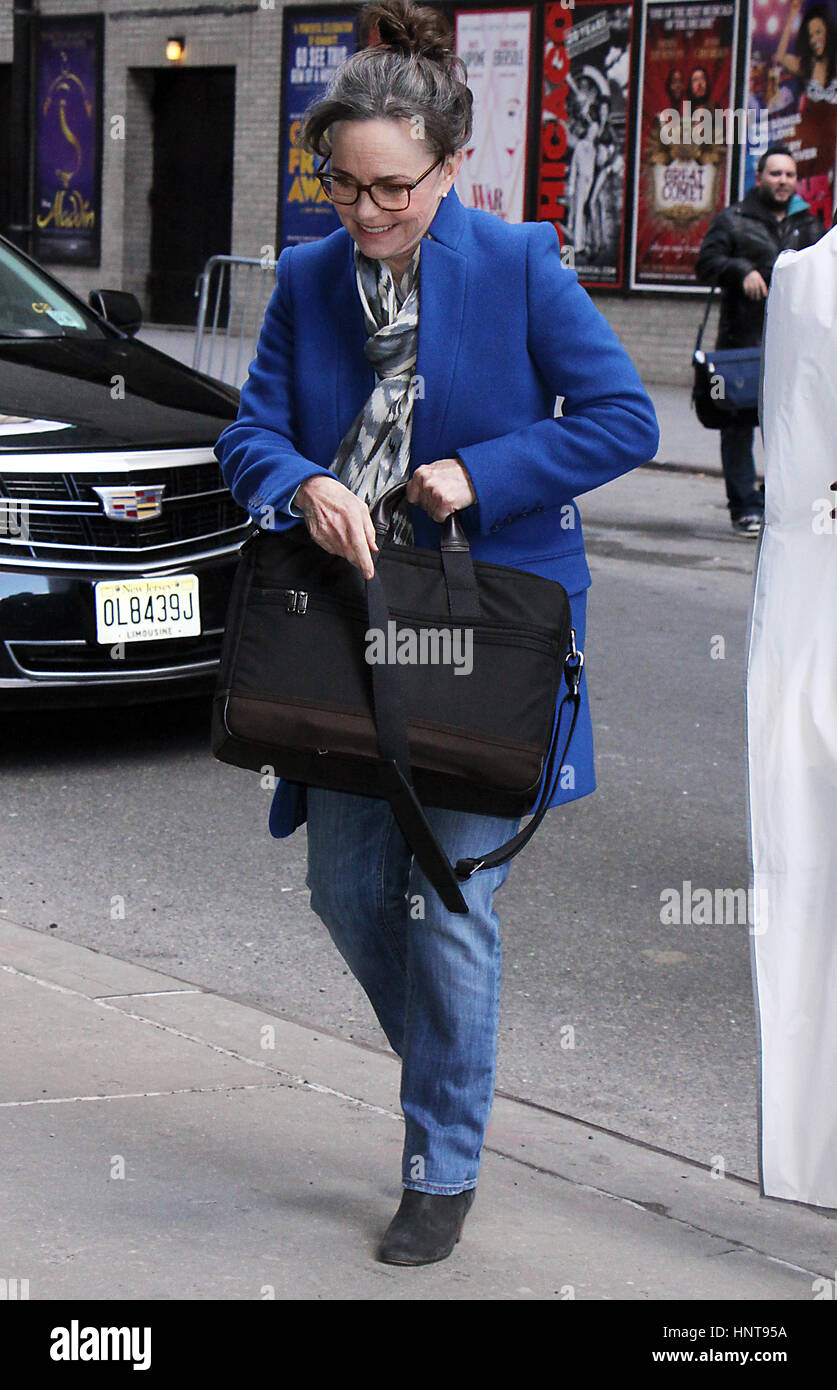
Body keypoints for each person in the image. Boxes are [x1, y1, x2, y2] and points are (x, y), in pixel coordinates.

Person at [213, 0, 659, 1266]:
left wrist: (482, 471)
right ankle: (460, 1072)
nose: (366, 213)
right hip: (341, 626)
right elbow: (248, 431)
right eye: (342, 186)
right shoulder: (308, 280)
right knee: (349, 888)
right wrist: (303, 482)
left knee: (449, 899)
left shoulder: (517, 261)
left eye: (394, 188)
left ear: (454, 166)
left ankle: (440, 1159)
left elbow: (626, 419)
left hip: (478, 635)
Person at [695, 143, 824, 535]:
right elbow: (706, 264)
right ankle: (745, 507)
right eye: (775, 174)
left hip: (797, 344)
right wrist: (739, 270)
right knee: (738, 427)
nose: (783, 181)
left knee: (793, 426)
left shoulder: (809, 223)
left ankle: (776, 501)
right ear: (759, 178)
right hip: (743, 340)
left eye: (789, 175)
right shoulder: (732, 220)